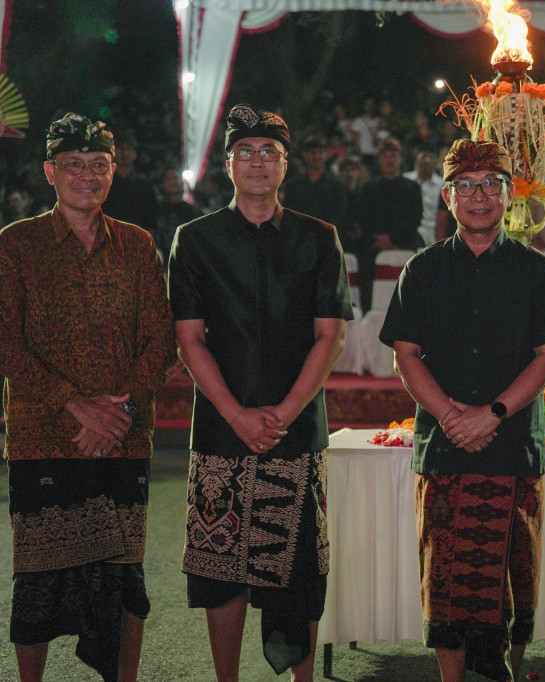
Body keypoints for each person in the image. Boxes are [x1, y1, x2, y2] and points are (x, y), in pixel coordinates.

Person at [378, 139, 545, 682]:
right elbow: (405, 356)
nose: (479, 196)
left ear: (510, 194)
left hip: (512, 447)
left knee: (515, 576)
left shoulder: (537, 270)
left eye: (491, 184)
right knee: (443, 579)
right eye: (465, 186)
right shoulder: (421, 270)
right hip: (443, 449)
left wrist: (492, 414)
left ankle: (508, 672)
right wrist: (451, 417)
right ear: (447, 197)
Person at [168, 104, 352, 681]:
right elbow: (190, 340)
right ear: (227, 164)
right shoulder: (194, 240)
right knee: (218, 571)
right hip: (221, 429)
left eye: (269, 152)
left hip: (296, 432)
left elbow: (330, 336)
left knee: (300, 572)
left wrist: (285, 413)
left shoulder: (319, 238)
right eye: (245, 152)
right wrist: (236, 415)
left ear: (285, 165)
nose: (257, 161)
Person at [0, 113, 177, 682]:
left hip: (122, 438)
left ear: (113, 172)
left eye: (98, 165)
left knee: (124, 581)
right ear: (49, 171)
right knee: (37, 581)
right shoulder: (15, 243)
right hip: (43, 438)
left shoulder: (137, 244)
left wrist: (121, 412)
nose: (86, 175)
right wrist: (74, 403)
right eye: (73, 164)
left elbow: (161, 340)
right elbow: (6, 341)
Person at [352, 137, 423, 310]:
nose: (390, 160)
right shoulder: (368, 188)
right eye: (385, 156)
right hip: (374, 244)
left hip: (404, 243)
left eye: (394, 156)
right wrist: (381, 239)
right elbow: (363, 218)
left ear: (400, 159)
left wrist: (393, 239)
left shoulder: (412, 187)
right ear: (380, 160)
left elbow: (415, 218)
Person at [281, 134, 349, 233]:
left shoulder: (337, 185)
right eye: (312, 153)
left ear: (325, 155)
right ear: (305, 155)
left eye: (320, 152)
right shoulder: (293, 185)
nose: (316, 156)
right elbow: (289, 214)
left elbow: (340, 214)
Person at [102, 134, 159, 237]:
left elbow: (151, 218)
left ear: (135, 154)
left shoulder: (144, 186)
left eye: (128, 149)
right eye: (120, 149)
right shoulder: (103, 183)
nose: (124, 153)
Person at [155, 168, 200, 262]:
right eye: (168, 179)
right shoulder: (156, 209)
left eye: (175, 178)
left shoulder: (189, 210)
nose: (172, 182)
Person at [403, 145, 444, 246]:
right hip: (408, 233)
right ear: (416, 159)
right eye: (423, 156)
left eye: (431, 157)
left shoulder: (442, 185)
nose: (426, 160)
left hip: (433, 234)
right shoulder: (405, 180)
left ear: (436, 162)